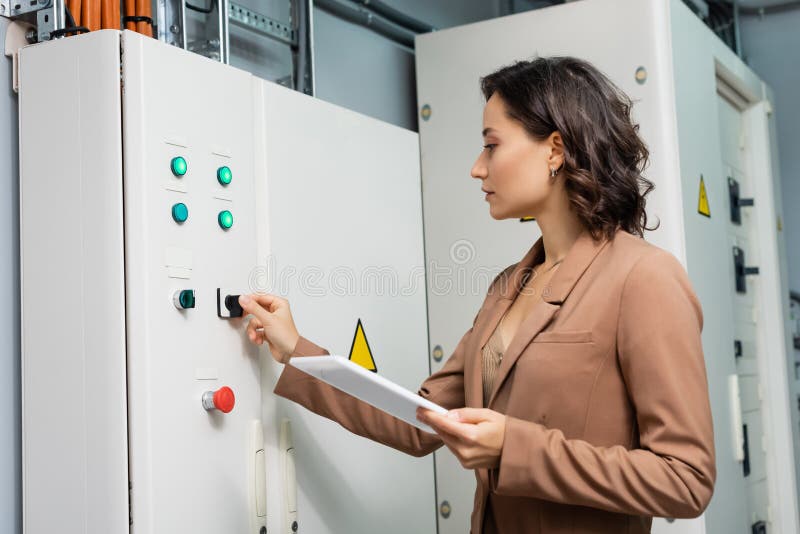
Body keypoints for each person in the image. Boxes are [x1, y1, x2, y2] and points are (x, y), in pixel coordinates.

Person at [237, 56, 715, 534]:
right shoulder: (510, 285)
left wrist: (516, 448)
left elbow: (686, 479)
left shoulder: (645, 278)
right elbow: (419, 419)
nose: (476, 168)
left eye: (491, 146)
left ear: (555, 150)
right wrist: (295, 352)